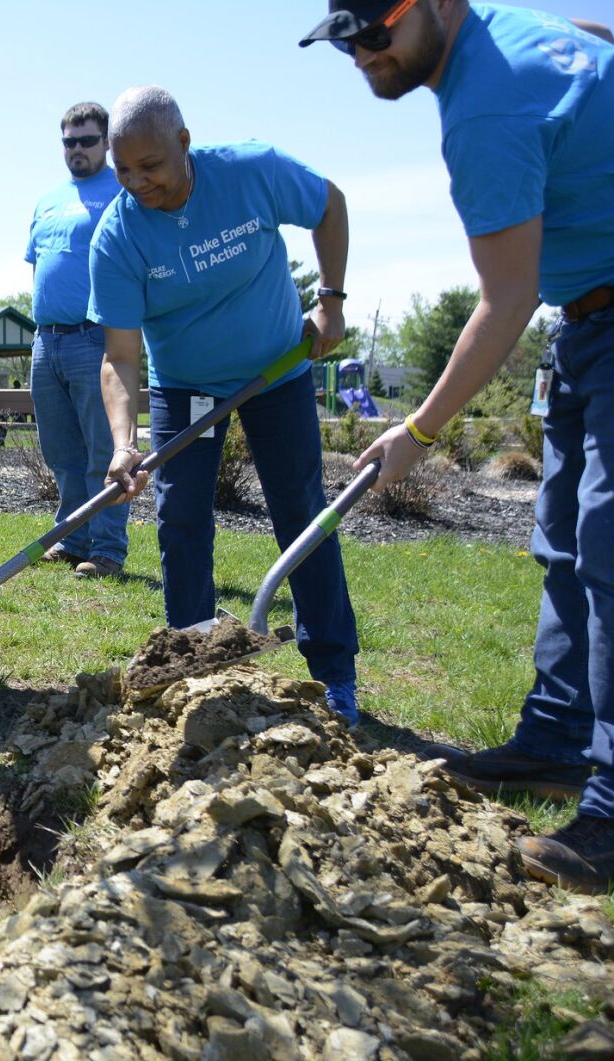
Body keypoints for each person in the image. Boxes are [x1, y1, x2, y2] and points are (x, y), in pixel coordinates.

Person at [300, 1, 614, 891]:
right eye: (344, 40)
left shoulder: (485, 106)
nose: (362, 53)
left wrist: (418, 429)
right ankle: (557, 738)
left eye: (376, 31)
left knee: (609, 552)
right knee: (564, 542)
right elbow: (594, 44)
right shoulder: (514, 40)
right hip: (587, 323)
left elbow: (504, 298)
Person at [88, 86, 362, 725]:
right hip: (187, 389)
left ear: (184, 143)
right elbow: (120, 357)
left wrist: (331, 300)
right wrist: (125, 444)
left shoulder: (251, 171)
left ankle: (335, 676)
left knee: (302, 514)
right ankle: (192, 670)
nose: (136, 183)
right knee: (181, 518)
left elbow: (330, 204)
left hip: (276, 374)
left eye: (150, 166)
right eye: (122, 170)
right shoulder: (117, 237)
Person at [25, 101, 130, 580]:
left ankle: (107, 549)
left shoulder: (121, 193)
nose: (77, 149)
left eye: (87, 140)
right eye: (69, 141)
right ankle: (72, 539)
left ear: (106, 142)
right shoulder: (47, 200)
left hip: (95, 340)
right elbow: (39, 265)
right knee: (62, 453)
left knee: (101, 453)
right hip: (46, 341)